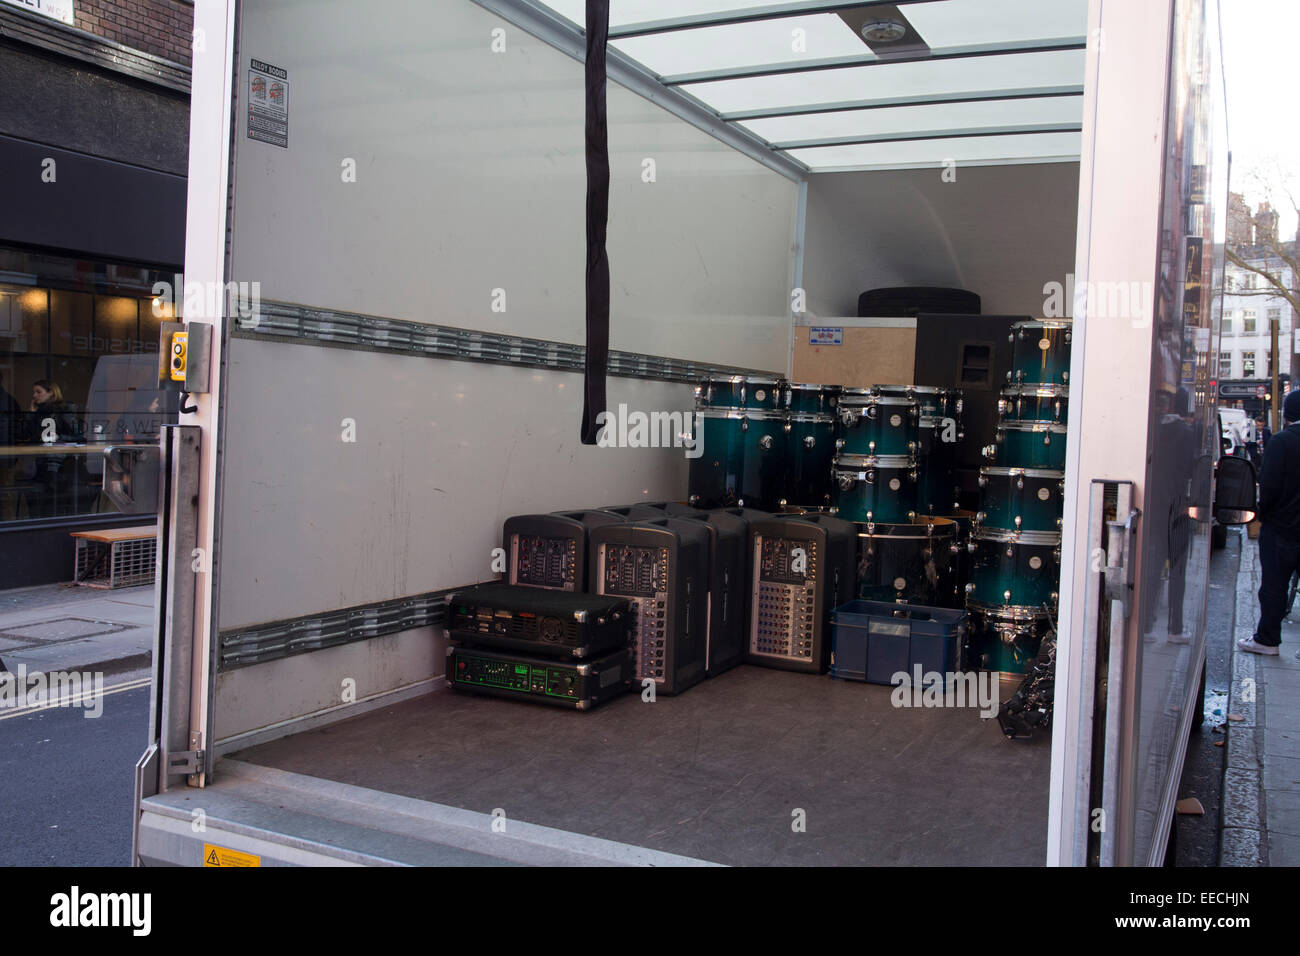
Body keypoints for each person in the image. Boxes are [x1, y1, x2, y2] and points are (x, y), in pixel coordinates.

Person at [1240, 389, 1300, 657]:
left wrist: (1263, 514)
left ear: (1287, 414)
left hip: (1282, 529)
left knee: (1274, 586)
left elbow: (1269, 486)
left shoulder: (1281, 442)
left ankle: (1268, 639)